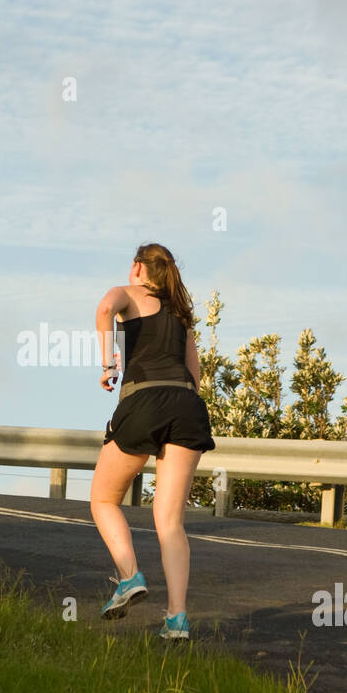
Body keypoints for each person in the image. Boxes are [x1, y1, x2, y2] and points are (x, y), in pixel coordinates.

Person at [90, 243, 215, 640]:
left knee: (104, 499)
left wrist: (110, 363)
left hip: (144, 401)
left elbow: (104, 310)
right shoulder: (182, 312)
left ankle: (129, 577)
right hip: (187, 407)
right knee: (170, 520)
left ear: (138, 266)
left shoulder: (128, 293)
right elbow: (195, 375)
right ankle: (177, 618)